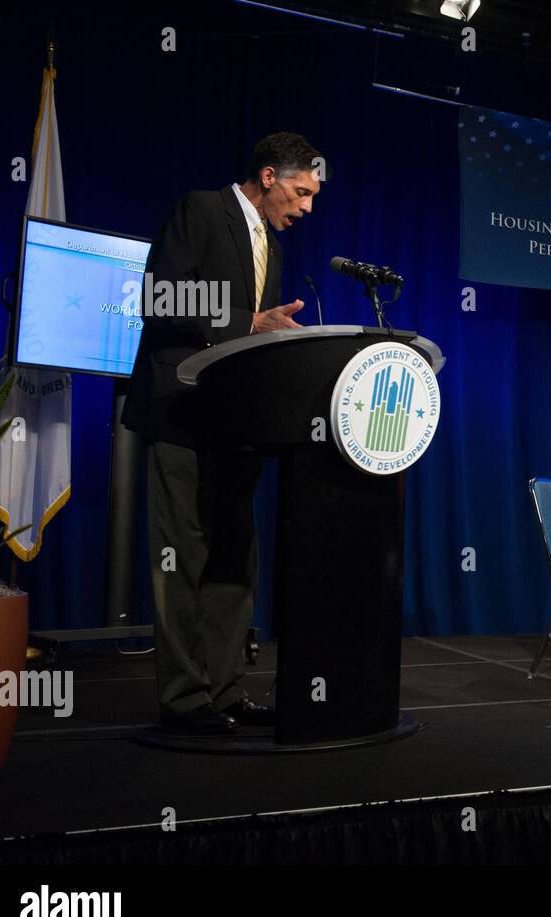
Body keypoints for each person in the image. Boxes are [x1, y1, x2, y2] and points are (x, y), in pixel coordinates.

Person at [122, 132, 323, 734]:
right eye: (302, 192)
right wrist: (244, 322)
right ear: (268, 176)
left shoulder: (275, 250)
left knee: (235, 562)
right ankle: (186, 700)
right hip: (182, 414)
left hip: (238, 426)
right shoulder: (201, 210)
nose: (308, 207)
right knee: (181, 560)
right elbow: (159, 298)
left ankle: (227, 689)